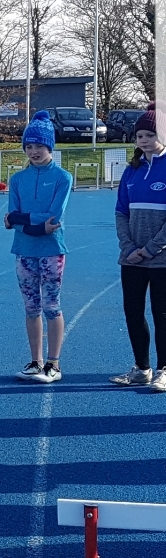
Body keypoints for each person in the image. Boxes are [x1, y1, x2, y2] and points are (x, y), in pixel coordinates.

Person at [4, 111, 72, 384]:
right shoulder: (17, 179)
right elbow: (12, 216)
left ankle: (54, 364)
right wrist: (33, 224)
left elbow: (54, 217)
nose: (33, 151)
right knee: (30, 307)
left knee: (51, 306)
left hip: (52, 250)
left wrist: (25, 221)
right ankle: (36, 361)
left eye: (39, 146)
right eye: (29, 146)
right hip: (23, 250)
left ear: (50, 147)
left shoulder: (62, 177)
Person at [111, 103, 166, 392]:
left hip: (161, 260)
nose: (143, 140)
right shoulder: (131, 172)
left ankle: (164, 370)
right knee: (133, 312)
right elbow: (121, 212)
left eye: (150, 134)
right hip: (131, 258)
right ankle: (142, 367)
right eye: (139, 135)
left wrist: (151, 249)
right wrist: (129, 246)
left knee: (162, 314)